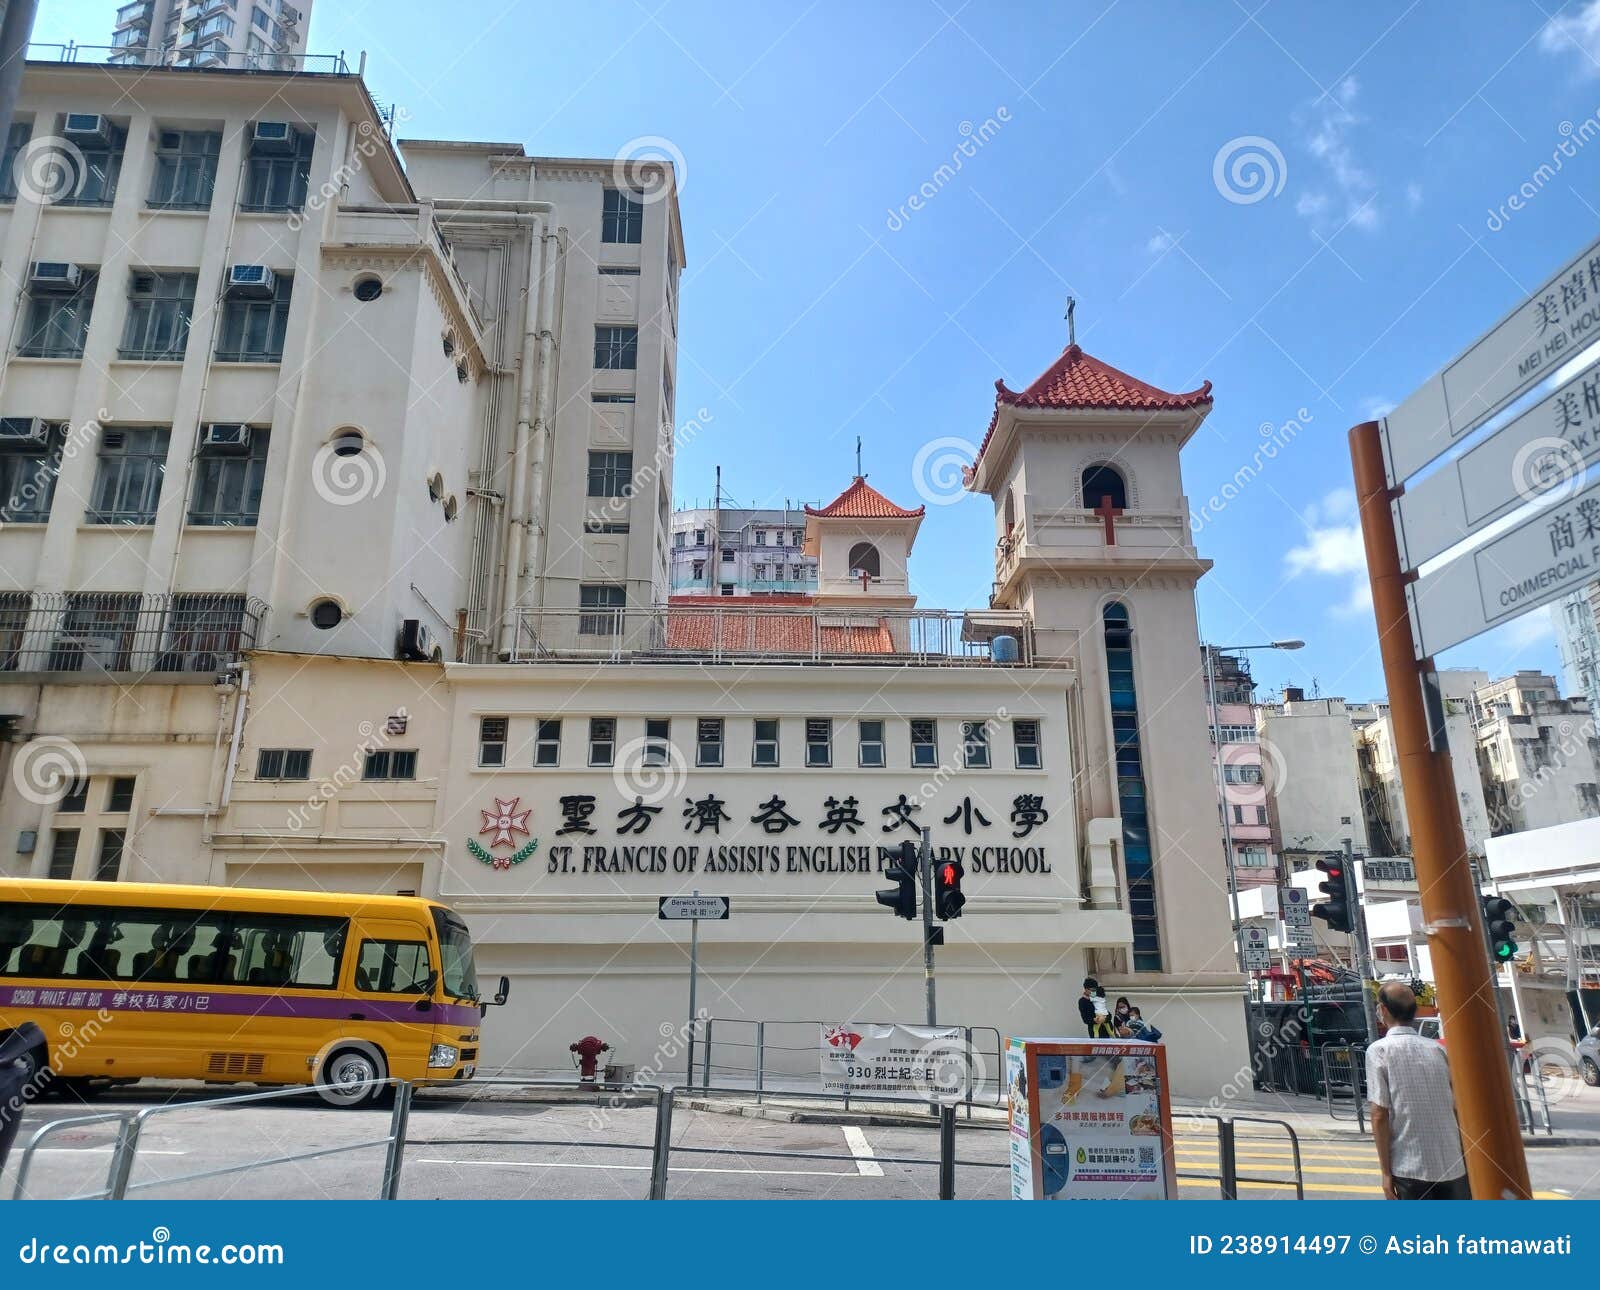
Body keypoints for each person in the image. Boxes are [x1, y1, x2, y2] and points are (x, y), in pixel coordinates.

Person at [1366, 982, 1469, 1200]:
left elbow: (1379, 1115)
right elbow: (1458, 1108)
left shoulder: (1379, 1051)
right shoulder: (1438, 1050)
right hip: (1454, 1163)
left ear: (1383, 1010)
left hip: (1409, 1166)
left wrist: (1385, 1173)